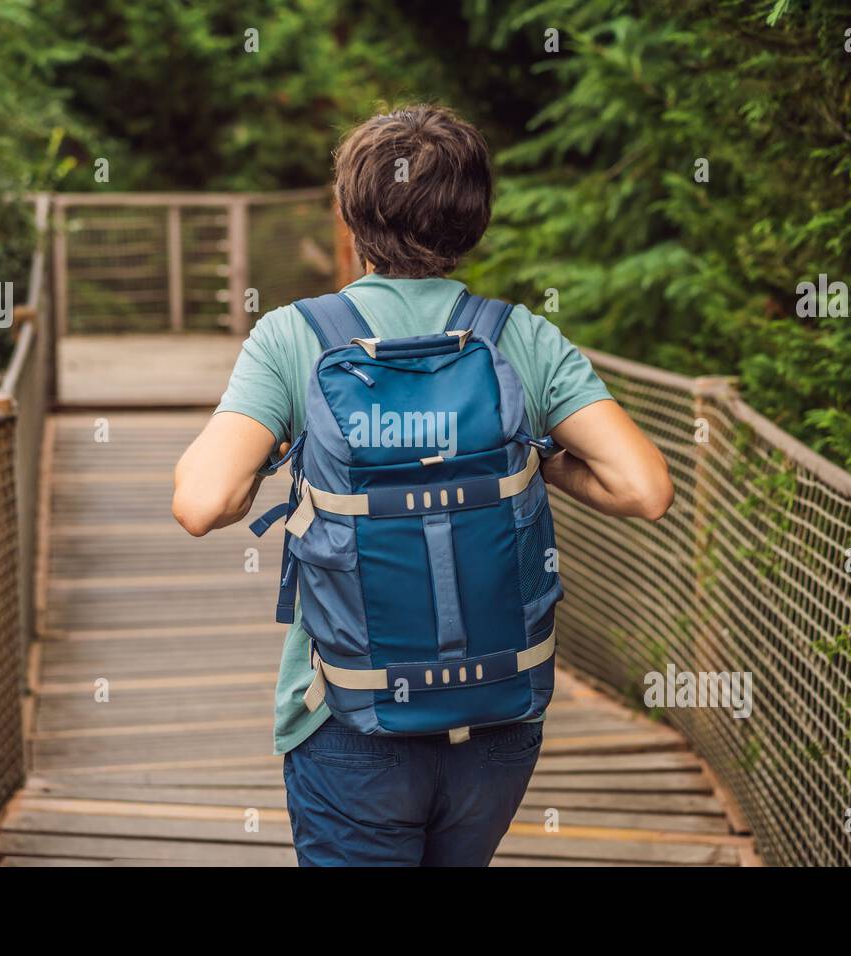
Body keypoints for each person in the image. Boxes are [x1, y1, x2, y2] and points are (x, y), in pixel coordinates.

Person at [172, 104, 673, 866]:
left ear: (349, 215)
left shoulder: (294, 337)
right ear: (475, 218)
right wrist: (537, 459)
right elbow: (644, 488)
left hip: (346, 720)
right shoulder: (517, 338)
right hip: (497, 724)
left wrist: (271, 462)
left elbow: (201, 503)